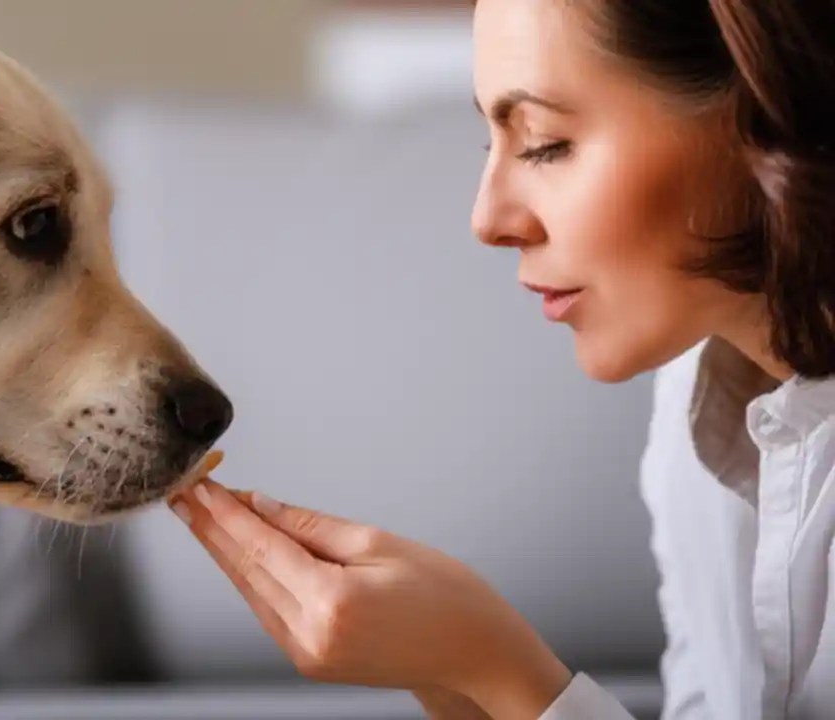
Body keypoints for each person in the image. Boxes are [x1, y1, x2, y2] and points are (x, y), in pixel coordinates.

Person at [168, 0, 835, 718]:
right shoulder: (696, 408)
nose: (487, 220)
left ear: (763, 103)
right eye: (490, 143)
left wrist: (500, 671)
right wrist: (445, 673)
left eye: (545, 143)